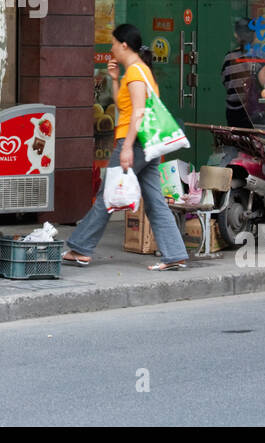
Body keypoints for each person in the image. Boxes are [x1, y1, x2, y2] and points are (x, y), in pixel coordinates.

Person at [63, 24, 190, 271]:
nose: (111, 49)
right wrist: (113, 79)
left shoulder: (135, 72)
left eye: (113, 44)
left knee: (107, 194)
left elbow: (138, 113)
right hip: (146, 143)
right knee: (154, 200)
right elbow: (126, 107)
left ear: (123, 45)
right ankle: (175, 253)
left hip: (135, 142)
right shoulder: (137, 71)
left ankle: (80, 249)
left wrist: (127, 147)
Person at [222, 18, 265, 129]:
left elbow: (226, 82)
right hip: (252, 113)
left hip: (232, 113)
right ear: (254, 34)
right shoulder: (259, 56)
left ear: (236, 35)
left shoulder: (228, 57)